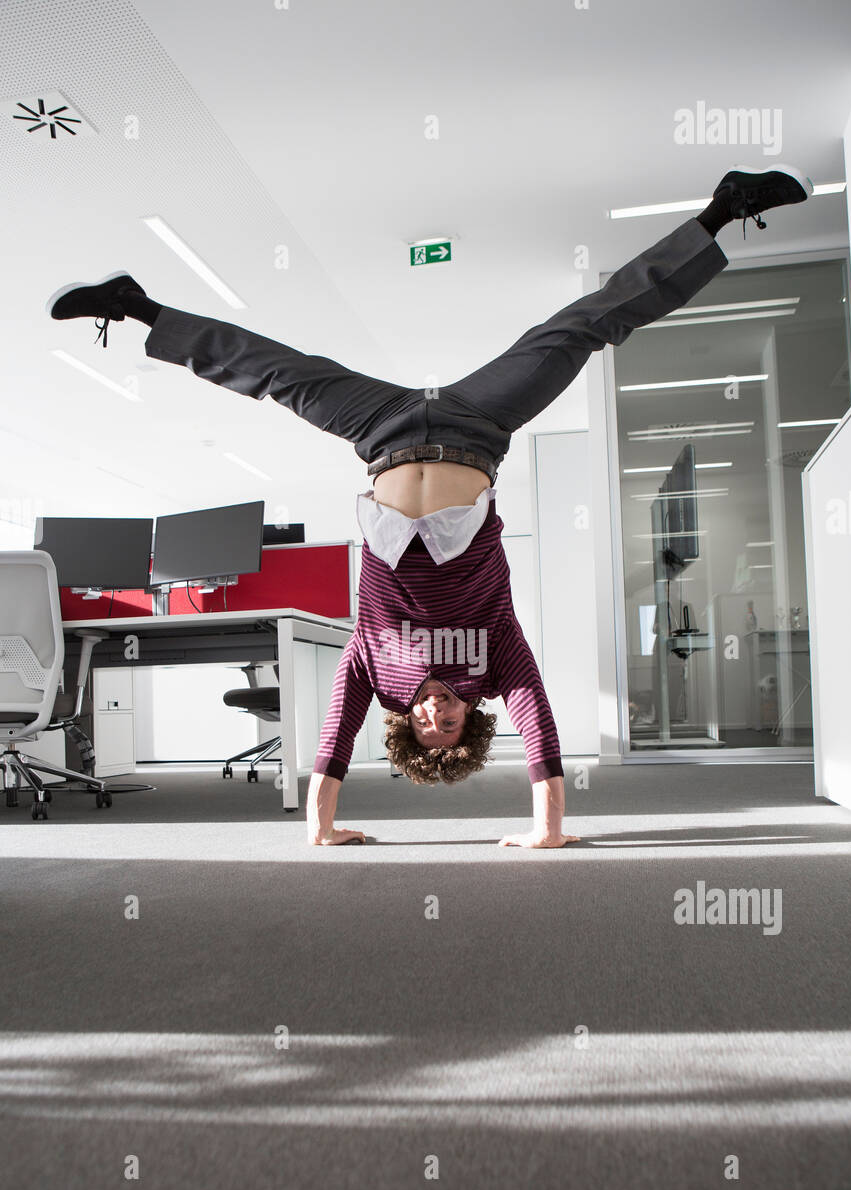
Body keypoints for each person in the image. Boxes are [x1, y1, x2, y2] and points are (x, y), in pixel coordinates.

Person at [48, 165, 812, 848]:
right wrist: (548, 830)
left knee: (275, 373)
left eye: (426, 729)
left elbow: (332, 737)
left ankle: (138, 306)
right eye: (451, 725)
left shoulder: (375, 673)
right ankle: (723, 211)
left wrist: (322, 827)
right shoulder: (497, 663)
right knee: (581, 329)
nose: (435, 715)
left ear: (406, 728)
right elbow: (542, 726)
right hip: (478, 431)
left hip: (380, 434)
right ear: (472, 720)